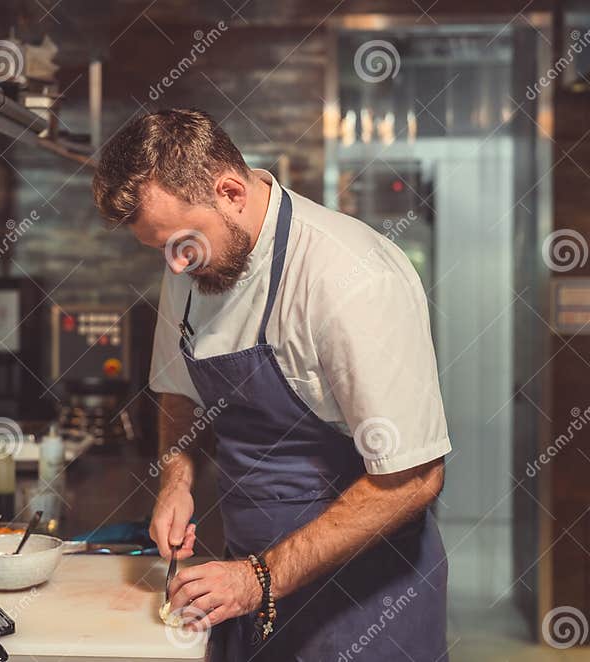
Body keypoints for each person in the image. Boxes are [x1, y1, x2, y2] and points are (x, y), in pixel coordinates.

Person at [92, 109, 450, 660]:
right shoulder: (188, 262)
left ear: (231, 192)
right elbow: (179, 391)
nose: (176, 267)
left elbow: (415, 477)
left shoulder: (351, 277)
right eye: (161, 249)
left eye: (183, 243)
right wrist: (176, 482)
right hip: (249, 582)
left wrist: (260, 578)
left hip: (369, 599)